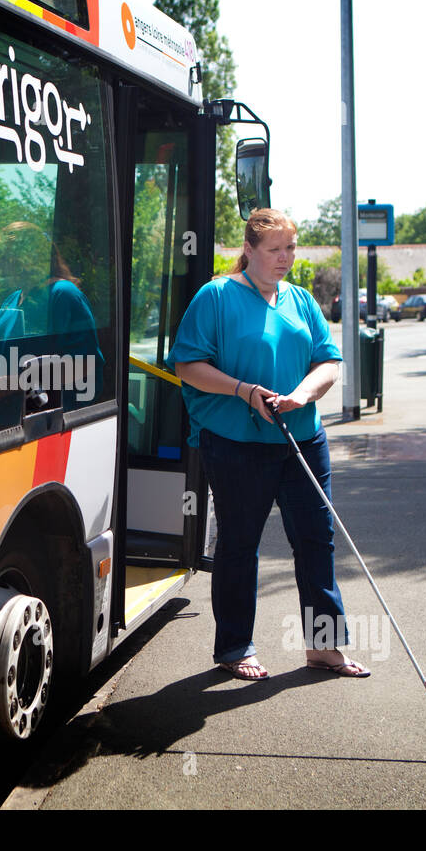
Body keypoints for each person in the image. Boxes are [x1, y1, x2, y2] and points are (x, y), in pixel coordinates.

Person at [165, 207, 369, 681]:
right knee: (240, 544)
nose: (285, 258)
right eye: (274, 250)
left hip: (303, 439)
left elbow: (329, 362)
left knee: (317, 541)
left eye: (291, 248)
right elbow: (186, 365)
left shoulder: (299, 299)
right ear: (249, 250)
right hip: (236, 444)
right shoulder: (215, 296)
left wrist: (301, 394)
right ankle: (236, 647)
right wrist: (245, 391)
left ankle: (324, 648)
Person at [0, 220, 104, 430]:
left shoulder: (63, 295)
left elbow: (86, 364)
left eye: (4, 256)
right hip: (0, 422)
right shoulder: (12, 299)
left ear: (26, 258)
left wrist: (18, 382)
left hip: (43, 425)